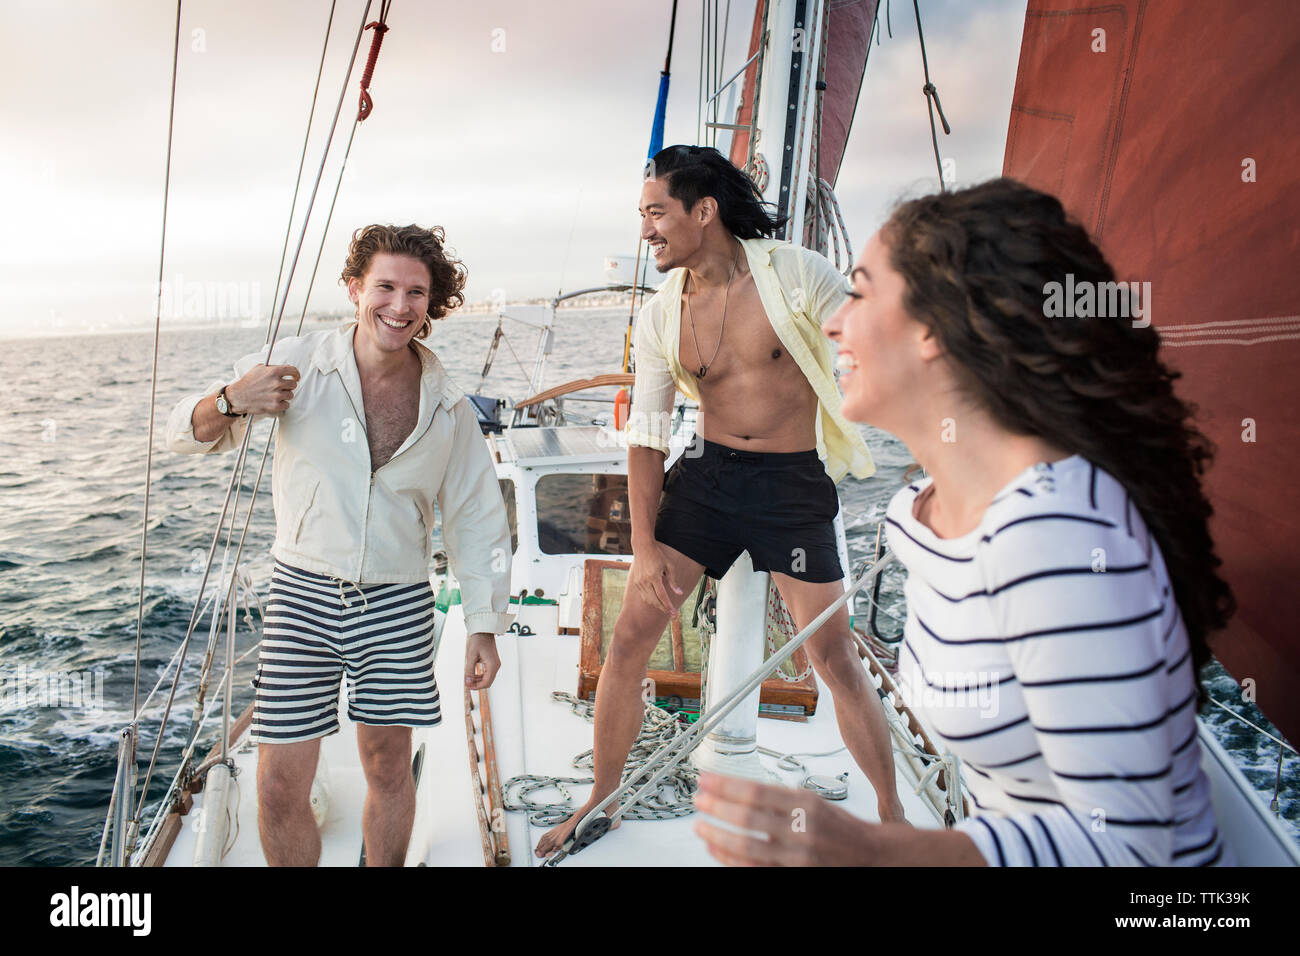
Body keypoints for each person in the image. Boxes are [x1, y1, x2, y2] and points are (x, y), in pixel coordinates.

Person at [693, 178, 1235, 865]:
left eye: (859, 293)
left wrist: (873, 850)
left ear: (935, 328)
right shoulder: (923, 514)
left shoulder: (1057, 538)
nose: (834, 323)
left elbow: (1134, 851)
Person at [535, 145, 906, 859]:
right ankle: (601, 799)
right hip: (705, 480)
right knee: (630, 639)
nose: (645, 230)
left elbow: (873, 340)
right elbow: (645, 438)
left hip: (792, 487)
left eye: (655, 212)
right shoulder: (660, 315)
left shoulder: (794, 273)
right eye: (642, 214)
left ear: (703, 212)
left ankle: (892, 818)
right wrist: (644, 550)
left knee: (832, 656)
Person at [165, 224, 514, 866]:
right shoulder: (297, 364)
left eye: (416, 292)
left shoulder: (449, 409)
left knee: (387, 769)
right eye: (385, 286)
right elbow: (181, 433)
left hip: (399, 599)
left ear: (432, 304)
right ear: (355, 288)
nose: (399, 306)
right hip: (301, 593)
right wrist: (233, 399)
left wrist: (485, 626)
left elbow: (476, 519)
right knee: (275, 784)